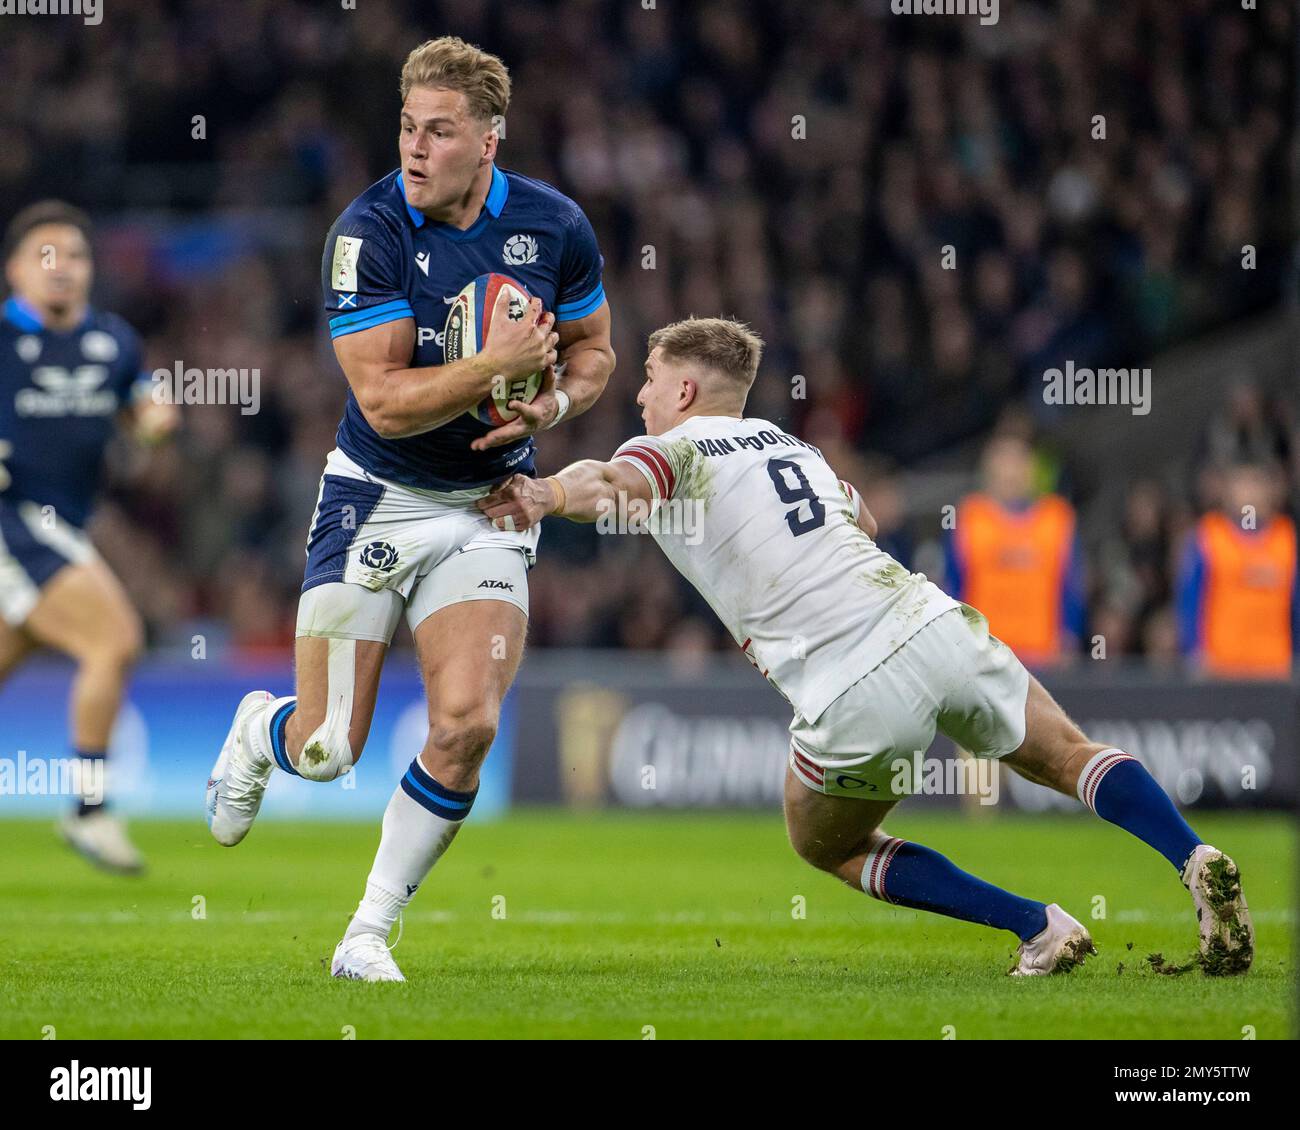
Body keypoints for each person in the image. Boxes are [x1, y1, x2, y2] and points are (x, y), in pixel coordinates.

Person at [478, 316, 1253, 977]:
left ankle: (1037, 926)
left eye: (648, 379)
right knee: (1074, 755)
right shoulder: (791, 446)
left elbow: (610, 485)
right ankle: (1192, 857)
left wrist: (544, 494)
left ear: (684, 391)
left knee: (825, 843)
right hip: (931, 619)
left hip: (850, 679)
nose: (640, 395)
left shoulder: (677, 452)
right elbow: (865, 522)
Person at [205, 37, 615, 982]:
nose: (415, 149)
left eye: (439, 131)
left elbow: (593, 351)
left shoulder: (555, 226)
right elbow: (384, 398)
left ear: (489, 142)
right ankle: (260, 729)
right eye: (405, 127)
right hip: (376, 495)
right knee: (325, 750)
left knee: (467, 723)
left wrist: (552, 404)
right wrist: (496, 368)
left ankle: (367, 935)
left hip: (488, 503)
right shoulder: (368, 231)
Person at [0, 200, 178, 872]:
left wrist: (154, 419)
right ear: (14, 269)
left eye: (73, 255)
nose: (60, 268)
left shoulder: (113, 341)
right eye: (44, 255)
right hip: (14, 522)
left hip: (65, 527)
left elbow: (147, 400)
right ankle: (89, 809)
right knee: (115, 638)